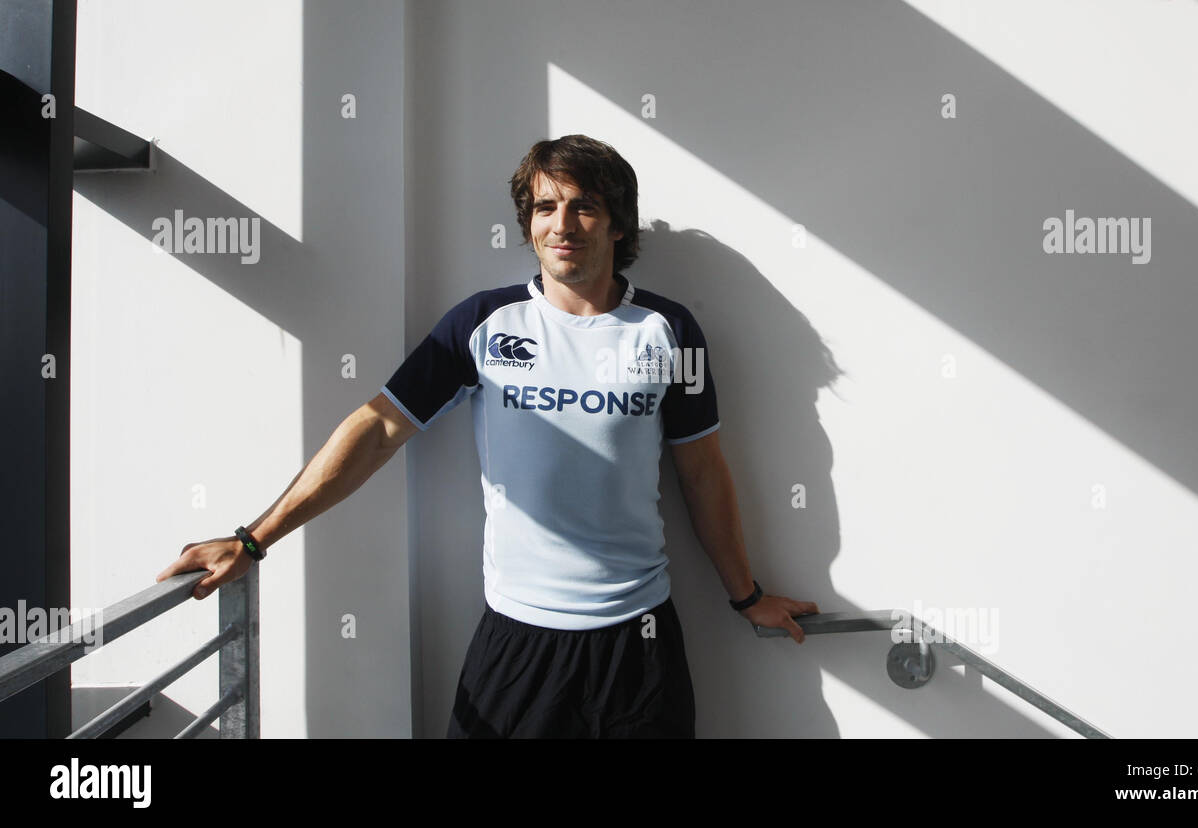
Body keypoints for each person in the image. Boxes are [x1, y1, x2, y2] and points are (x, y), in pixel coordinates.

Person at [157, 134, 819, 738]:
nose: (562, 226)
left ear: (617, 223)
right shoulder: (484, 323)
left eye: (584, 207)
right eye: (544, 208)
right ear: (528, 223)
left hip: (638, 643)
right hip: (517, 639)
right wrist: (253, 539)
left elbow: (702, 471)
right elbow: (379, 429)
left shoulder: (666, 331)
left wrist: (747, 596)